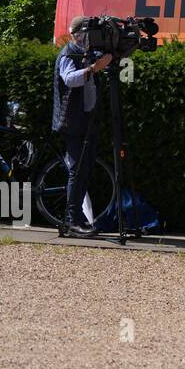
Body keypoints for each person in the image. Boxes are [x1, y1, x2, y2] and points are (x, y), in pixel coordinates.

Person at [52, 16, 113, 235]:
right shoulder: (68, 54)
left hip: (87, 120)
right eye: (88, 34)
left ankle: (77, 218)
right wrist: (94, 69)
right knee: (77, 171)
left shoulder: (87, 54)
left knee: (85, 170)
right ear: (77, 35)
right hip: (73, 122)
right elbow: (69, 79)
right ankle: (71, 220)